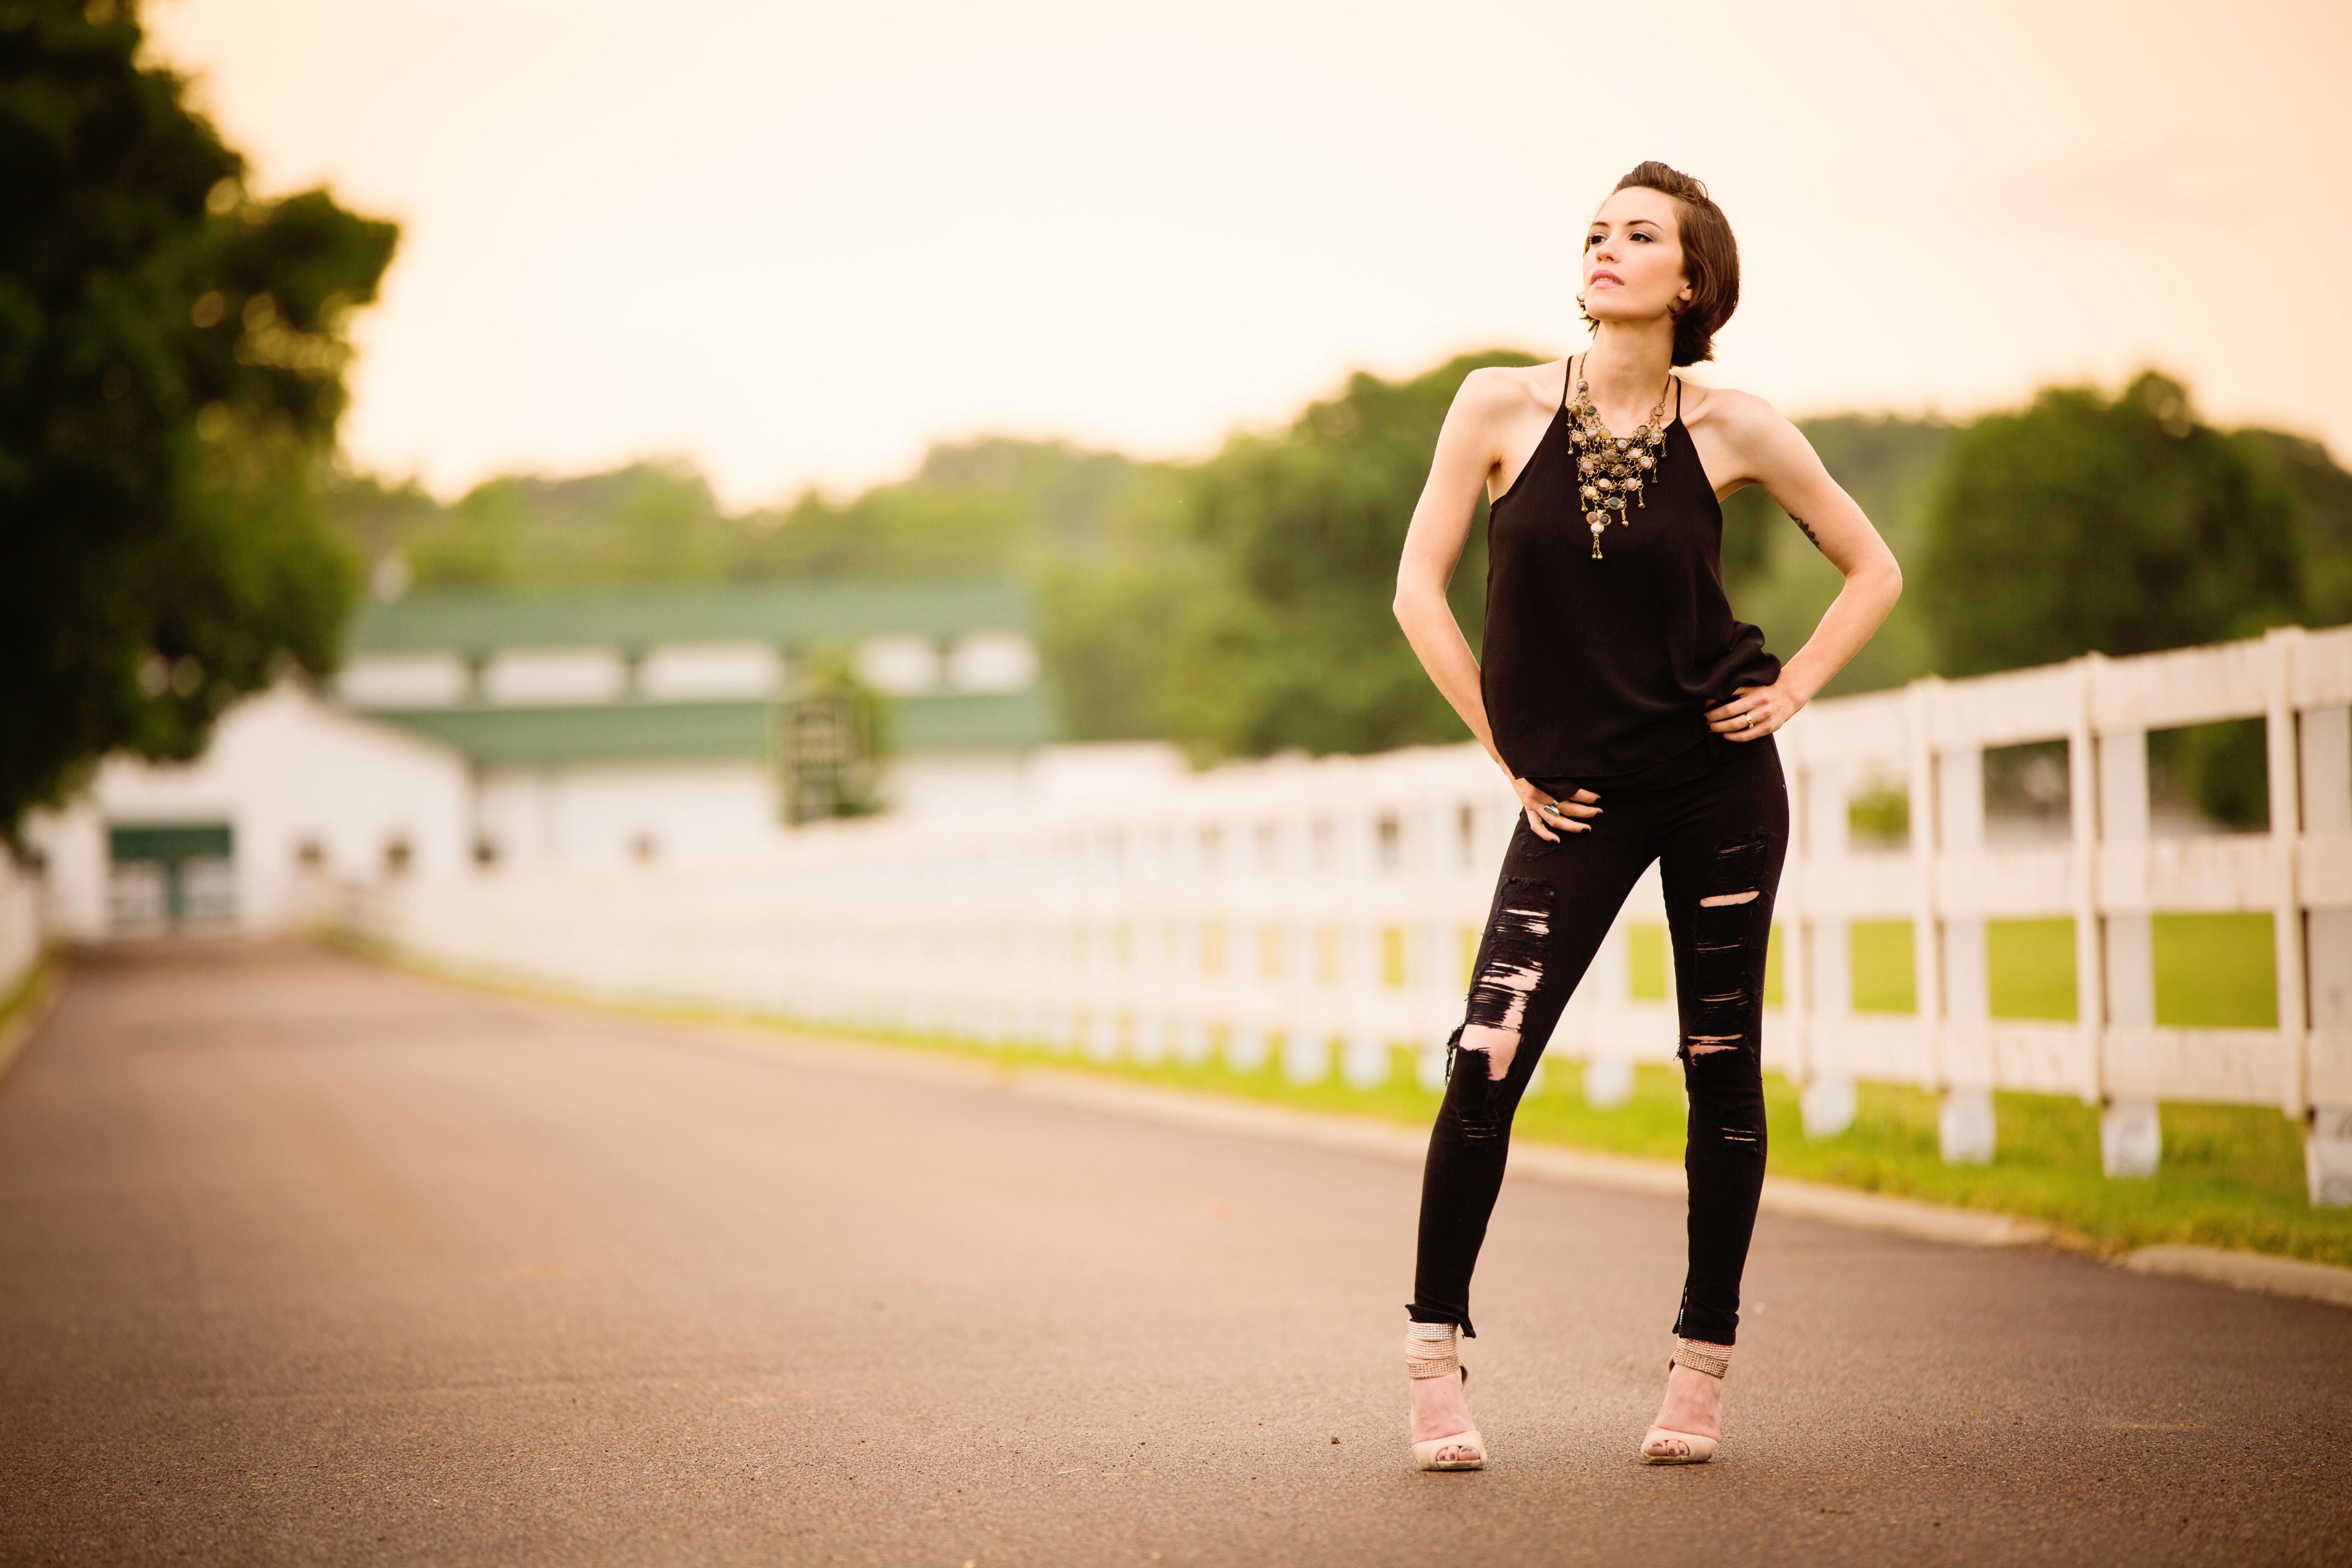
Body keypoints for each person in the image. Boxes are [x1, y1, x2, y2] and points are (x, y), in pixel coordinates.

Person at [1389, 161, 1901, 1471]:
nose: (1606, 248)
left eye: (1639, 235)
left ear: (1692, 279)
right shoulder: (1496, 404)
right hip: (1573, 795)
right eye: (1596, 231)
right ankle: (1434, 1365)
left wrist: (1793, 688)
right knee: (1487, 1052)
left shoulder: (1734, 426)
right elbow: (1417, 593)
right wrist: (1507, 748)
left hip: (1715, 780)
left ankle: (1700, 1369)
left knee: (1718, 1064)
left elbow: (1873, 567)